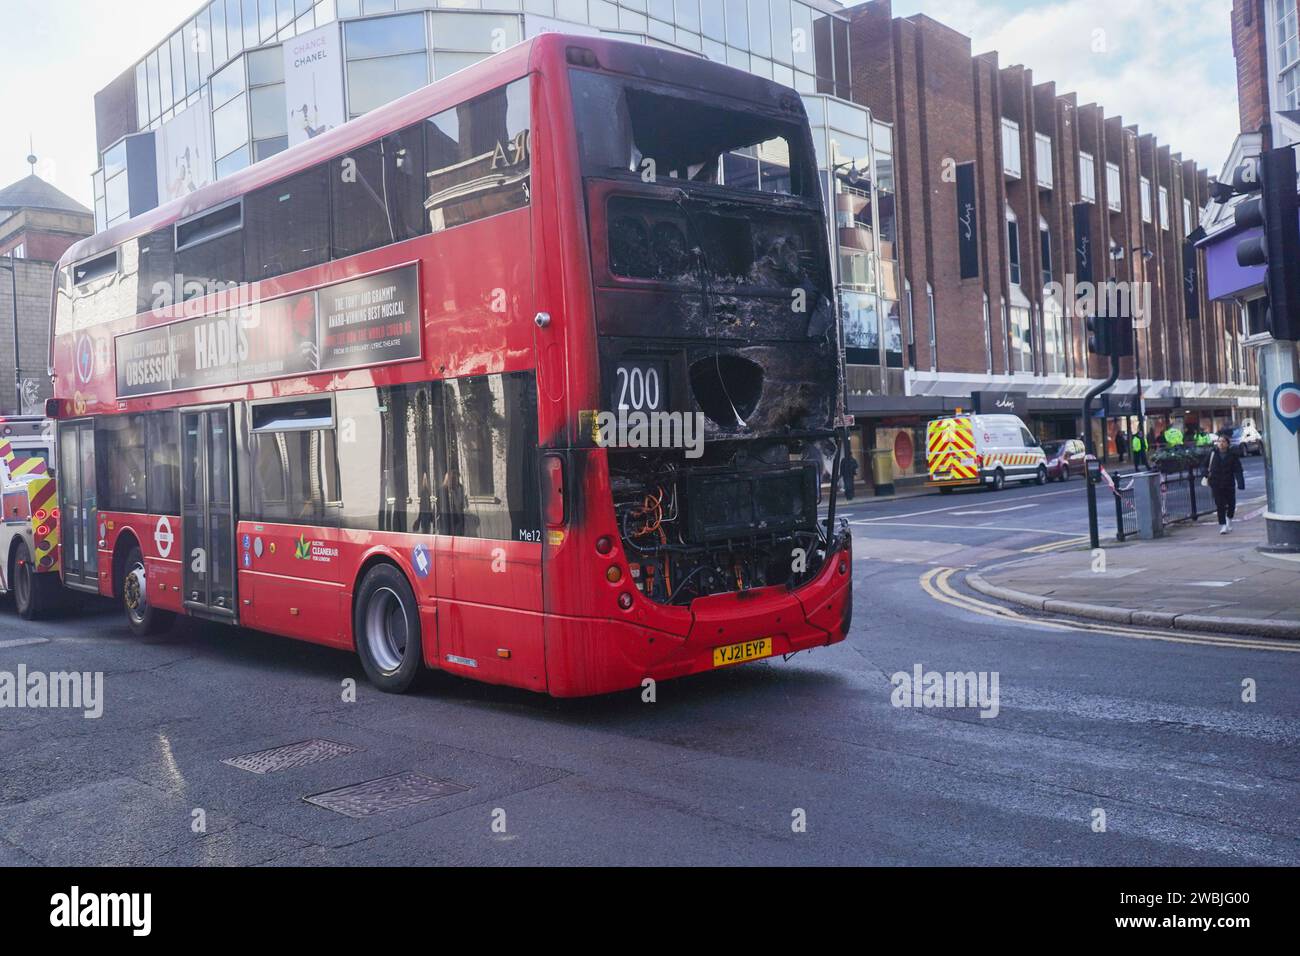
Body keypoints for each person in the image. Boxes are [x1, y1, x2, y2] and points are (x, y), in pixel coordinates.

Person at [1204, 434, 1245, 534]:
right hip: (1216, 483)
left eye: (1223, 441)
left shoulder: (1232, 455)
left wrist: (1240, 483)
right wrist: (1205, 474)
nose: (1221, 443)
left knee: (1231, 504)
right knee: (1220, 505)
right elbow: (1204, 465)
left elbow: (1238, 470)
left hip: (1228, 483)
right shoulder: (1212, 453)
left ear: (1227, 444)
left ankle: (1229, 519)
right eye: (1219, 441)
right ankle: (1223, 525)